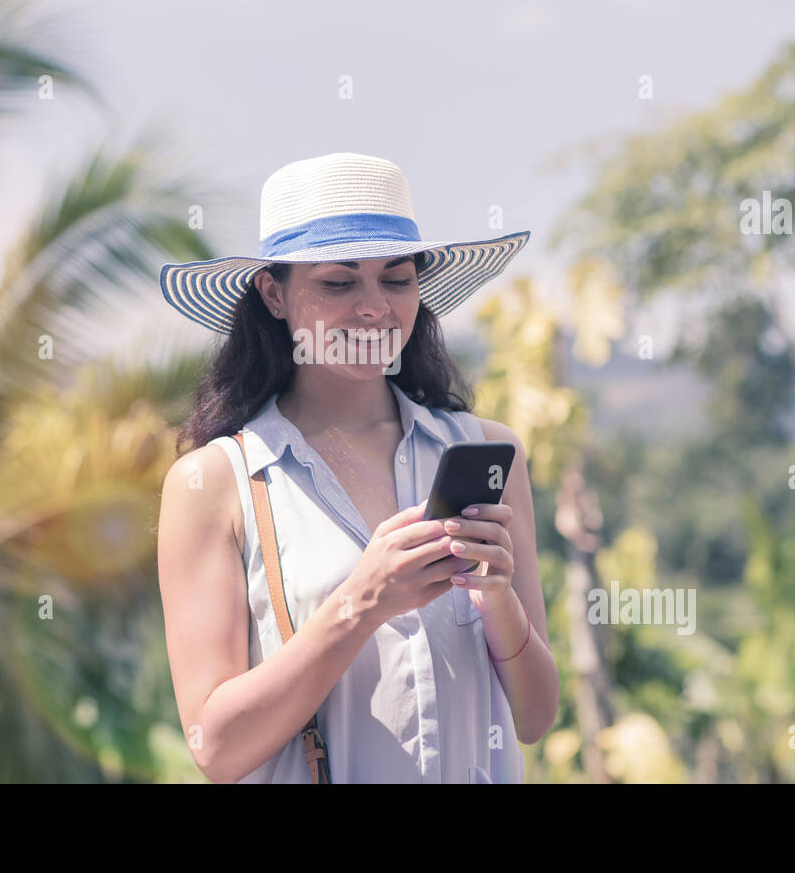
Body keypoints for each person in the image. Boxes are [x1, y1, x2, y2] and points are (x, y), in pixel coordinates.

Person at [156, 152, 558, 783]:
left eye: (396, 280)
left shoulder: (487, 452)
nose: (374, 307)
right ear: (274, 294)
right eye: (339, 283)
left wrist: (498, 599)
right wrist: (361, 602)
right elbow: (217, 748)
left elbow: (535, 718)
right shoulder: (217, 483)